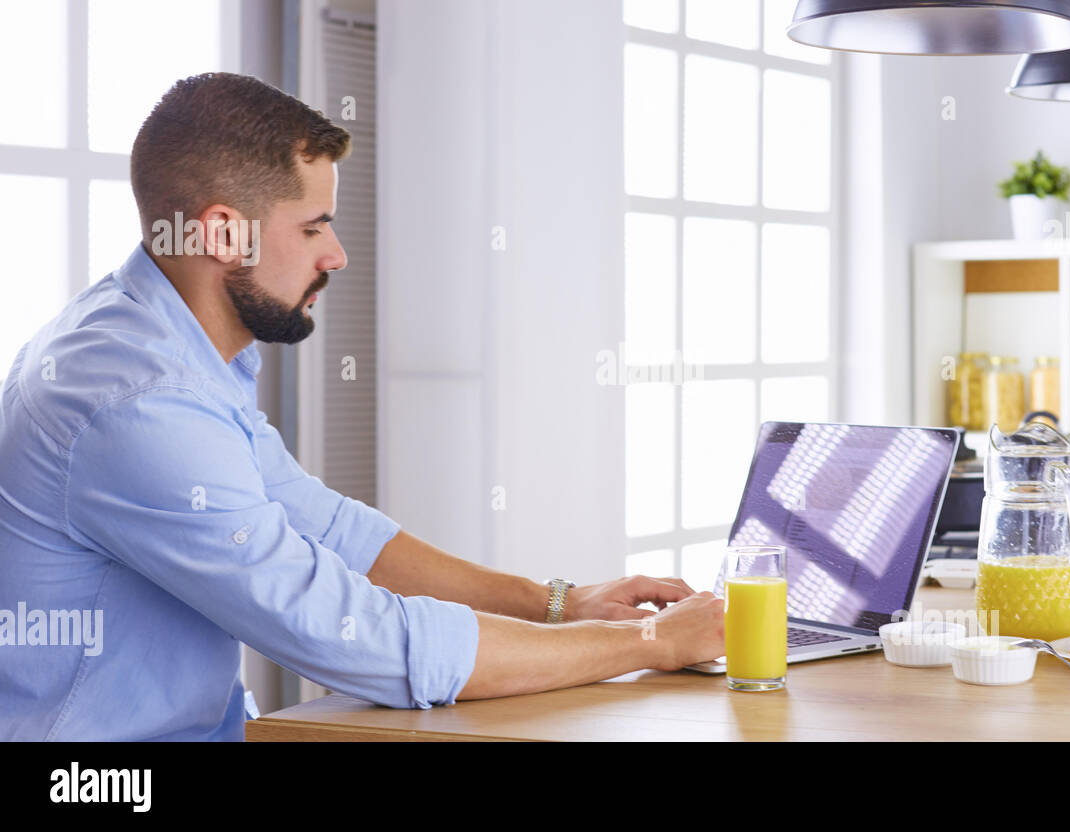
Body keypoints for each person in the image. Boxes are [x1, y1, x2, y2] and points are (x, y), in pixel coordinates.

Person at [0, 72, 724, 741]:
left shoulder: (163, 350)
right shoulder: (137, 400)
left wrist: (558, 604)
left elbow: (333, 531)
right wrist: (653, 643)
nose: (337, 255)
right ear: (222, 232)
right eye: (314, 226)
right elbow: (352, 635)